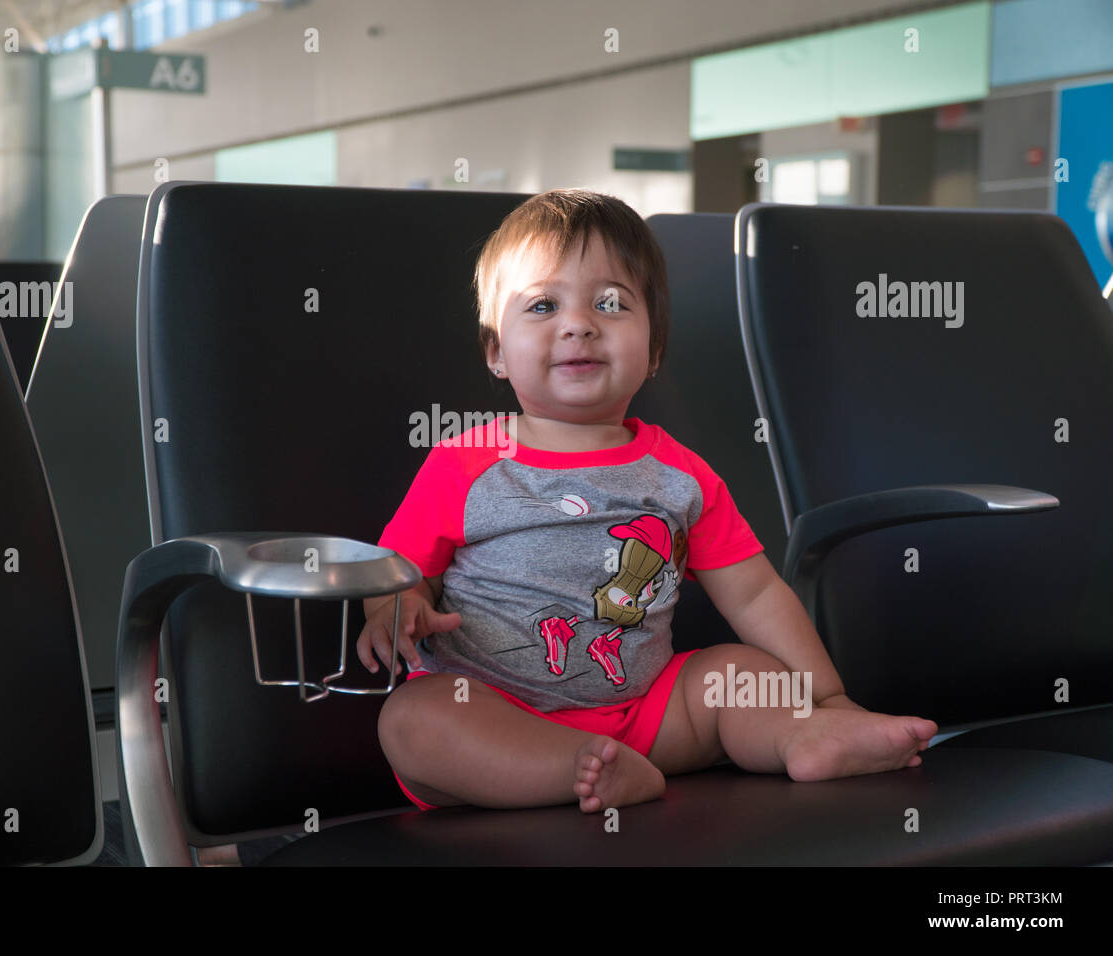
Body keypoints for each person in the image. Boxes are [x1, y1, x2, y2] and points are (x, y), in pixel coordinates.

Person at [357, 188, 937, 814]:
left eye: (610, 303)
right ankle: (573, 770)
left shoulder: (680, 477)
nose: (578, 323)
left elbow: (756, 593)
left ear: (654, 347)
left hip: (652, 717)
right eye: (544, 305)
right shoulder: (463, 465)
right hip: (495, 717)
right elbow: (396, 572)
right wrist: (398, 608)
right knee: (412, 718)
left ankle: (804, 735)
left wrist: (826, 698)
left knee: (735, 673)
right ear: (497, 350)